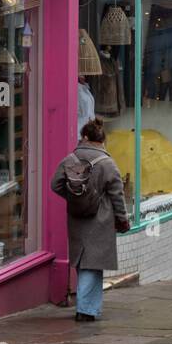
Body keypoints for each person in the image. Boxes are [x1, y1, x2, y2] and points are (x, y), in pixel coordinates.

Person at [50, 118, 129, 321]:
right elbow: (117, 195)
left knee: (83, 262)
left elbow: (55, 184)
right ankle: (85, 310)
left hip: (77, 218)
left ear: (84, 137)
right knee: (93, 265)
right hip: (100, 220)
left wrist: (74, 198)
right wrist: (122, 219)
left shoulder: (71, 158)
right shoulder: (108, 164)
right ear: (101, 140)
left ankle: (89, 308)